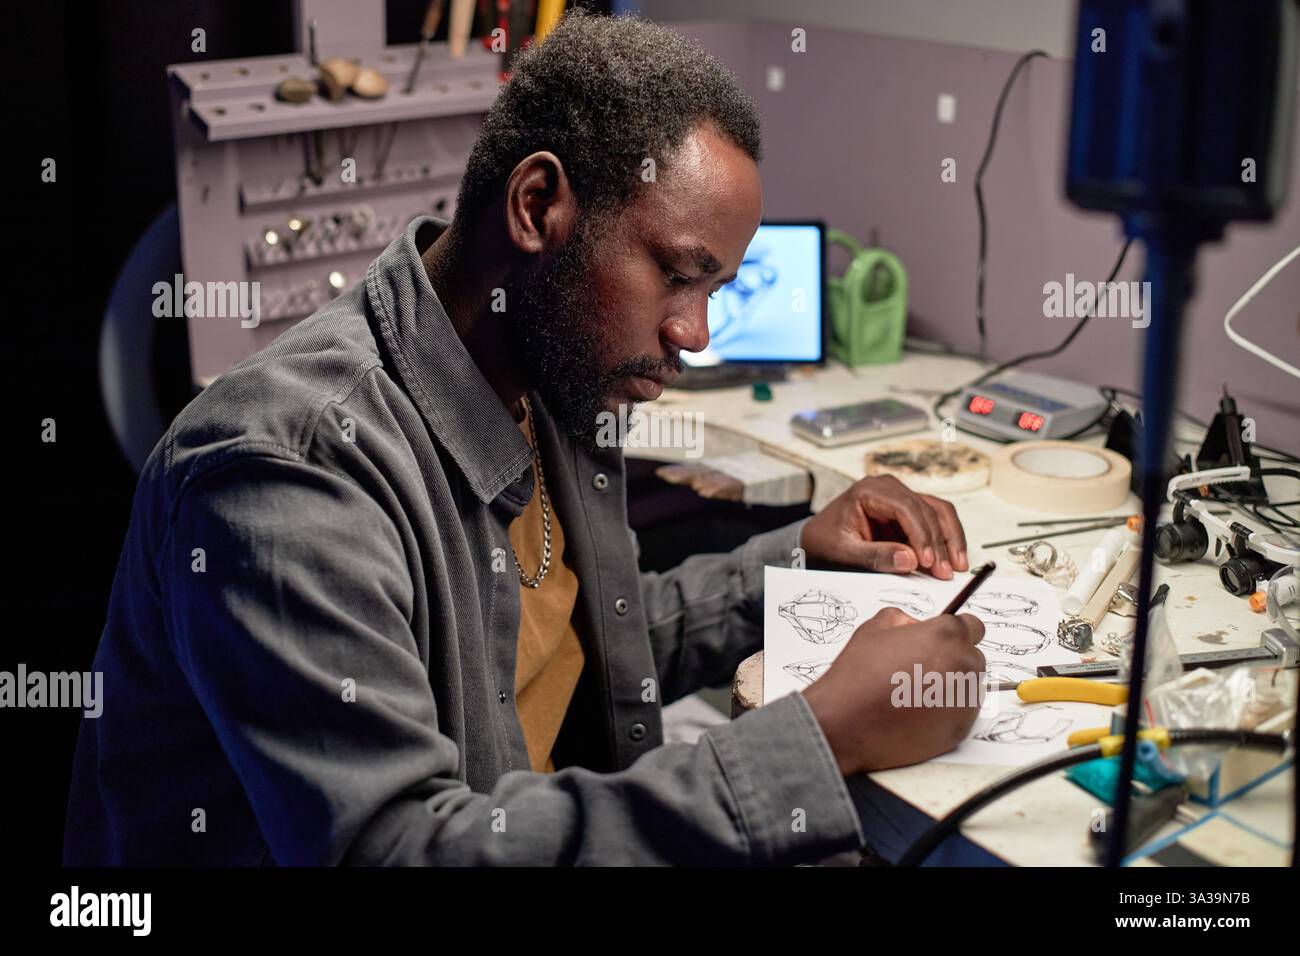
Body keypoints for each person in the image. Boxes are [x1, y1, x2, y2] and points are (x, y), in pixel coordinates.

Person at [65, 10, 984, 866]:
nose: (695, 334)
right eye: (677, 274)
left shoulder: (549, 376)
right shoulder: (290, 473)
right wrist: (824, 739)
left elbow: (582, 646)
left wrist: (797, 562)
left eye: (715, 291)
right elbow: (397, 848)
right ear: (538, 206)